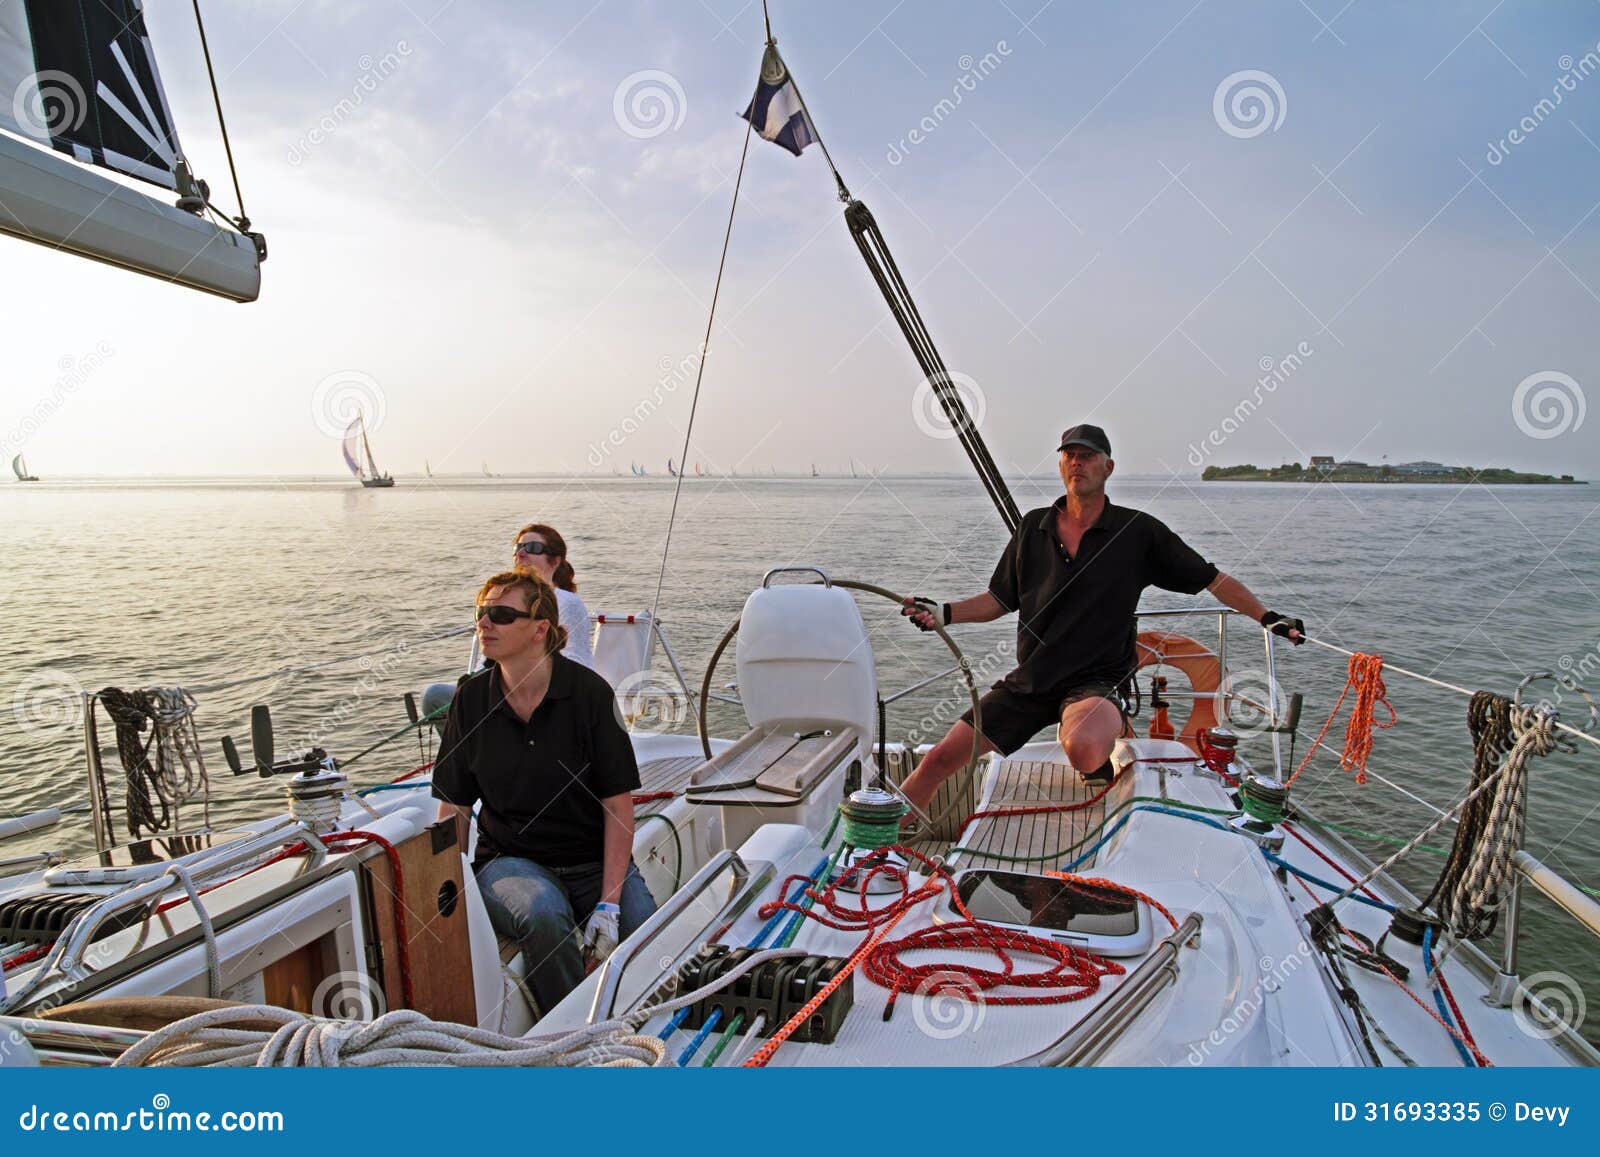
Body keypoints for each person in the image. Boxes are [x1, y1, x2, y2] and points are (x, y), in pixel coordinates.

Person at [897, 423, 1303, 821]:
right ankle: (882, 846)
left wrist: (1267, 618)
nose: (1077, 463)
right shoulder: (1032, 528)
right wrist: (944, 613)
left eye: (1088, 456)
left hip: (1098, 680)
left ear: (1108, 468)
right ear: (1060, 466)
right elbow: (1000, 599)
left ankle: (1099, 772)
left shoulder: (1137, 532)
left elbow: (1212, 579)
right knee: (938, 758)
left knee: (1084, 747)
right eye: (1070, 455)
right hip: (1031, 679)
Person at [431, 569, 656, 1015]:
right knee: (542, 914)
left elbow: (617, 806)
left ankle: (641, 1025)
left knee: (647, 931)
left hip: (591, 859)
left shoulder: (589, 694)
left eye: (500, 614)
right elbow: (453, 806)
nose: (484, 624)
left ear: (540, 630)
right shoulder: (471, 700)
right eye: (481, 612)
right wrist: (446, 892)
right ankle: (573, 1038)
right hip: (510, 862)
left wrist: (609, 905)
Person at [511, 523, 594, 669]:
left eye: (533, 548)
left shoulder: (567, 602)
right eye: (518, 547)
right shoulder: (507, 599)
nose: (521, 553)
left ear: (555, 561)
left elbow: (575, 659)